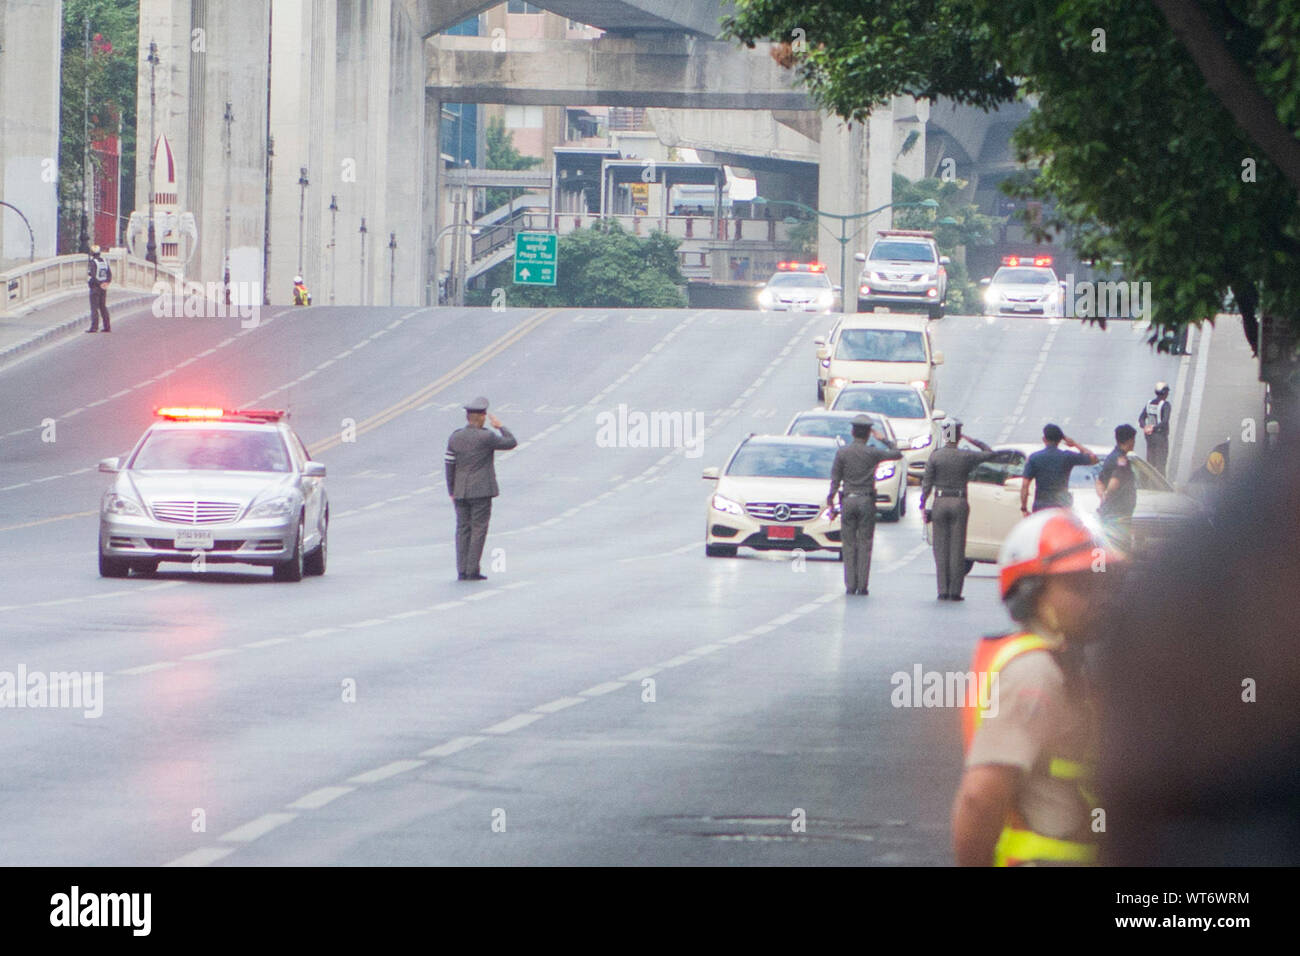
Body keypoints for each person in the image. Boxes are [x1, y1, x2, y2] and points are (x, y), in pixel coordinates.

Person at [951, 509, 1119, 866]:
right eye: (1079, 585)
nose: (1098, 597)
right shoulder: (1034, 672)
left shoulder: (1068, 663)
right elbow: (980, 798)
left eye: (1100, 582)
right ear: (1032, 594)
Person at [919, 418, 1008, 601]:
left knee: (941, 548)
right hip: (959, 502)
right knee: (957, 548)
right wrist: (972, 440)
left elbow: (926, 483)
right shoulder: (965, 456)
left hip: (940, 502)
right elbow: (990, 453)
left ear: (944, 435)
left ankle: (942, 590)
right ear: (959, 436)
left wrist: (922, 505)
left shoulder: (935, 456)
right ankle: (955, 592)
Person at [827, 414, 903, 595]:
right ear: (869, 434)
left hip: (848, 500)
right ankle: (862, 586)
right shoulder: (873, 452)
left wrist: (831, 502)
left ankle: (850, 585)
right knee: (865, 543)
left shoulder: (842, 452)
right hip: (866, 500)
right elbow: (897, 453)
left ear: (852, 432)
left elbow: (835, 480)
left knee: (848, 543)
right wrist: (884, 439)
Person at [445, 396, 517, 581]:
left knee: (462, 529)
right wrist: (500, 426)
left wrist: (451, 489)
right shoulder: (487, 436)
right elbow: (511, 442)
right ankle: (472, 570)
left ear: (468, 417)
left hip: (460, 491)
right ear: (483, 417)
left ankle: (461, 570)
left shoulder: (455, 436)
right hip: (481, 491)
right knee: (478, 529)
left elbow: (449, 464)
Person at [1019, 424, 1098, 515]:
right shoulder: (1067, 456)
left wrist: (1024, 508)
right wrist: (1075, 444)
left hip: (1041, 507)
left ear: (1044, 439)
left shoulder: (1034, 458)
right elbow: (1094, 459)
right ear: (1060, 440)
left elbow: (1025, 485)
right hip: (1062, 506)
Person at [1095, 424, 1138, 553]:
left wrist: (1103, 496)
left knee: (1106, 545)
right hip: (1119, 512)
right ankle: (1116, 572)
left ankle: (1102, 570)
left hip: (1110, 511)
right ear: (1130, 441)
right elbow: (1116, 479)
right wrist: (1108, 493)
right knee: (1120, 547)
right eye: (1134, 440)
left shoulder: (1110, 457)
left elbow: (1099, 481)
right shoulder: (1122, 459)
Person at [1138, 382, 1172, 476]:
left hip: (1149, 436)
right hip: (1160, 436)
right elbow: (1165, 421)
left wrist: (1145, 427)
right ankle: (1160, 487)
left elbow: (1141, 418)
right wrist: (1154, 428)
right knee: (1161, 463)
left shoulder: (1149, 403)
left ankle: (1147, 483)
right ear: (1165, 393)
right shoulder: (1166, 405)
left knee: (1150, 461)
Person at [86, 245, 112, 333]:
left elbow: (92, 275)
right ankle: (107, 326)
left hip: (95, 287)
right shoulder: (104, 261)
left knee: (94, 308)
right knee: (103, 307)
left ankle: (94, 327)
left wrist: (98, 283)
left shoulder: (93, 262)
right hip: (103, 287)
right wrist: (106, 283)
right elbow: (109, 274)